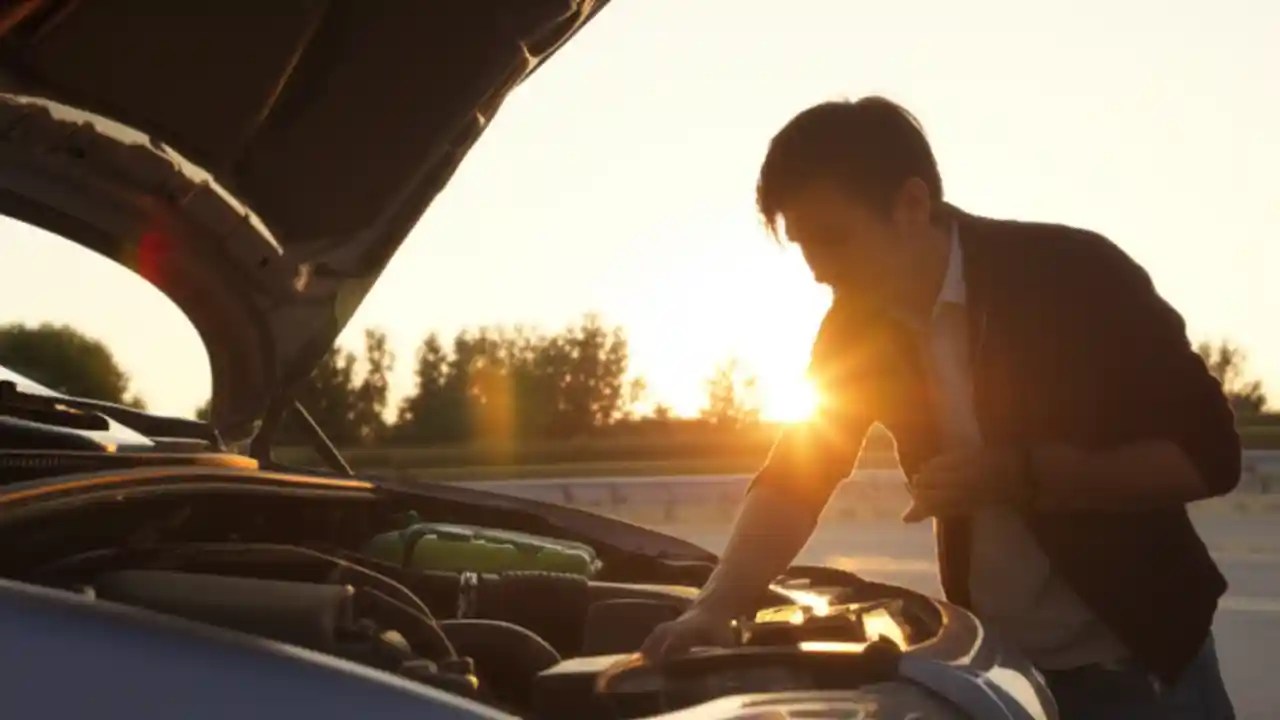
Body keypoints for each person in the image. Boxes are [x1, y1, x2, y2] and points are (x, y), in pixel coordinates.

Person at [639, 96, 1239, 719]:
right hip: (1006, 675)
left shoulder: (1075, 275)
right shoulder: (855, 328)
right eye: (803, 244)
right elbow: (799, 472)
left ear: (912, 205)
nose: (817, 270)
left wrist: (1023, 475)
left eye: (833, 238)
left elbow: (1211, 457)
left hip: (1145, 675)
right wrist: (714, 608)